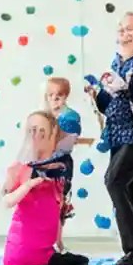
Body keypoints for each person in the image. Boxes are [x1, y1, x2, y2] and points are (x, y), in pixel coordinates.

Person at [87, 12, 133, 265]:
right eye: (121, 28)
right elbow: (109, 105)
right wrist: (97, 94)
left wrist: (123, 89)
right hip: (118, 135)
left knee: (114, 181)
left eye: (130, 29)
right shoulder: (117, 62)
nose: (124, 33)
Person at [0, 111, 92, 265]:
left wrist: (60, 244)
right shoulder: (20, 168)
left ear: (52, 135)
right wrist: (28, 185)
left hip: (44, 254)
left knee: (82, 264)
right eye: (32, 130)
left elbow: (57, 212)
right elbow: (6, 201)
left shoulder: (57, 173)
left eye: (42, 131)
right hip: (22, 255)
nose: (37, 136)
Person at [44, 77, 93, 246]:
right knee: (44, 201)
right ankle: (47, 239)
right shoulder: (45, 116)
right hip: (44, 161)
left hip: (61, 162)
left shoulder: (70, 116)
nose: (53, 99)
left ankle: (57, 240)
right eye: (50, 95)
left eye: (58, 95)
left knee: (60, 201)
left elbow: (68, 141)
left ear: (65, 96)